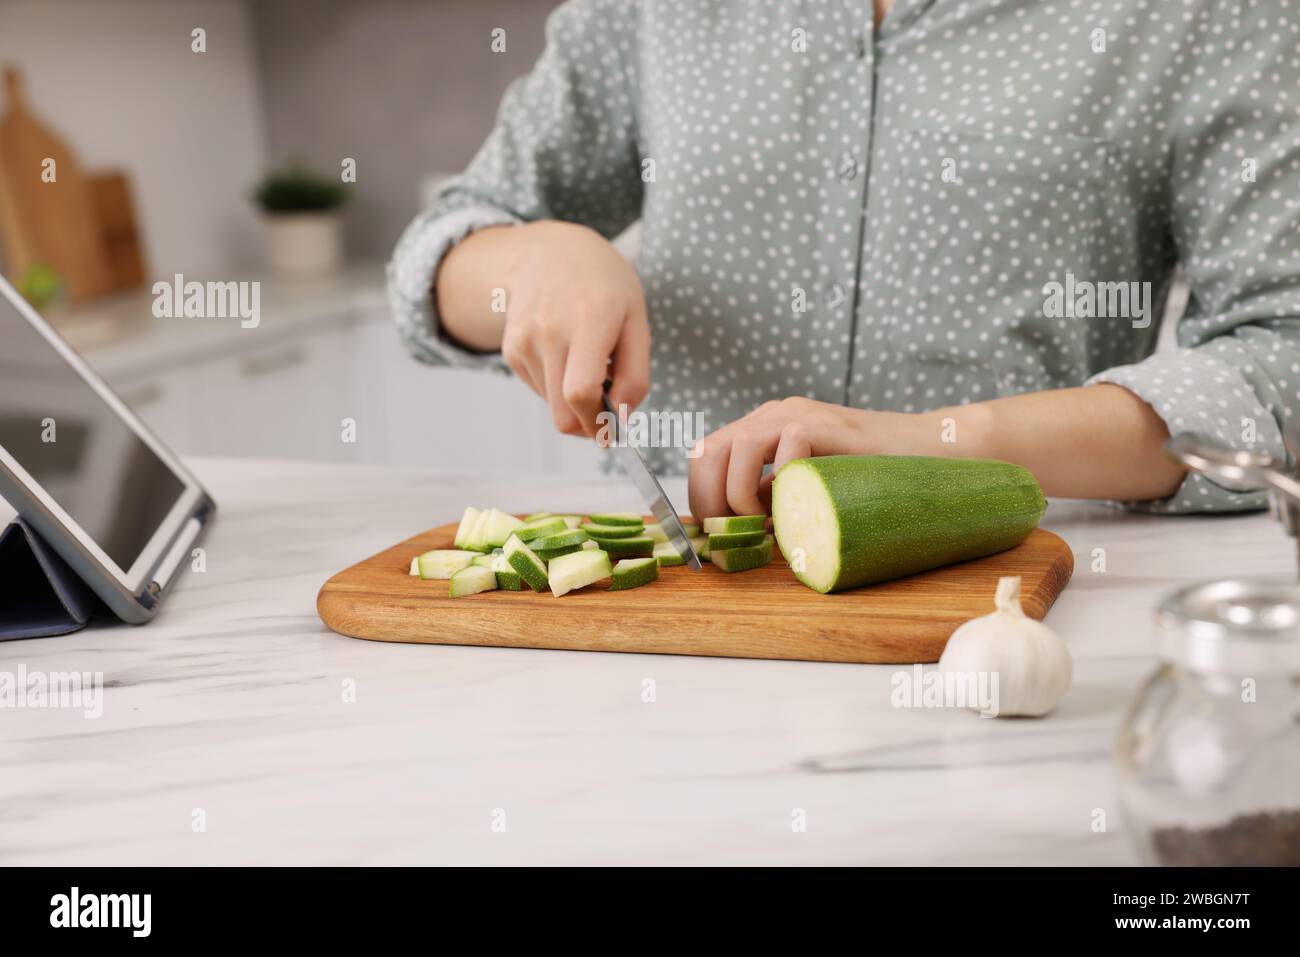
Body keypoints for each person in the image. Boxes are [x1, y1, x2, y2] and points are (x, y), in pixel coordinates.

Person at [388, 0, 1300, 520]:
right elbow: (441, 258)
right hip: (678, 606)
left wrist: (948, 442)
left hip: (1021, 600)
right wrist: (535, 260)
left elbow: (1280, 359)